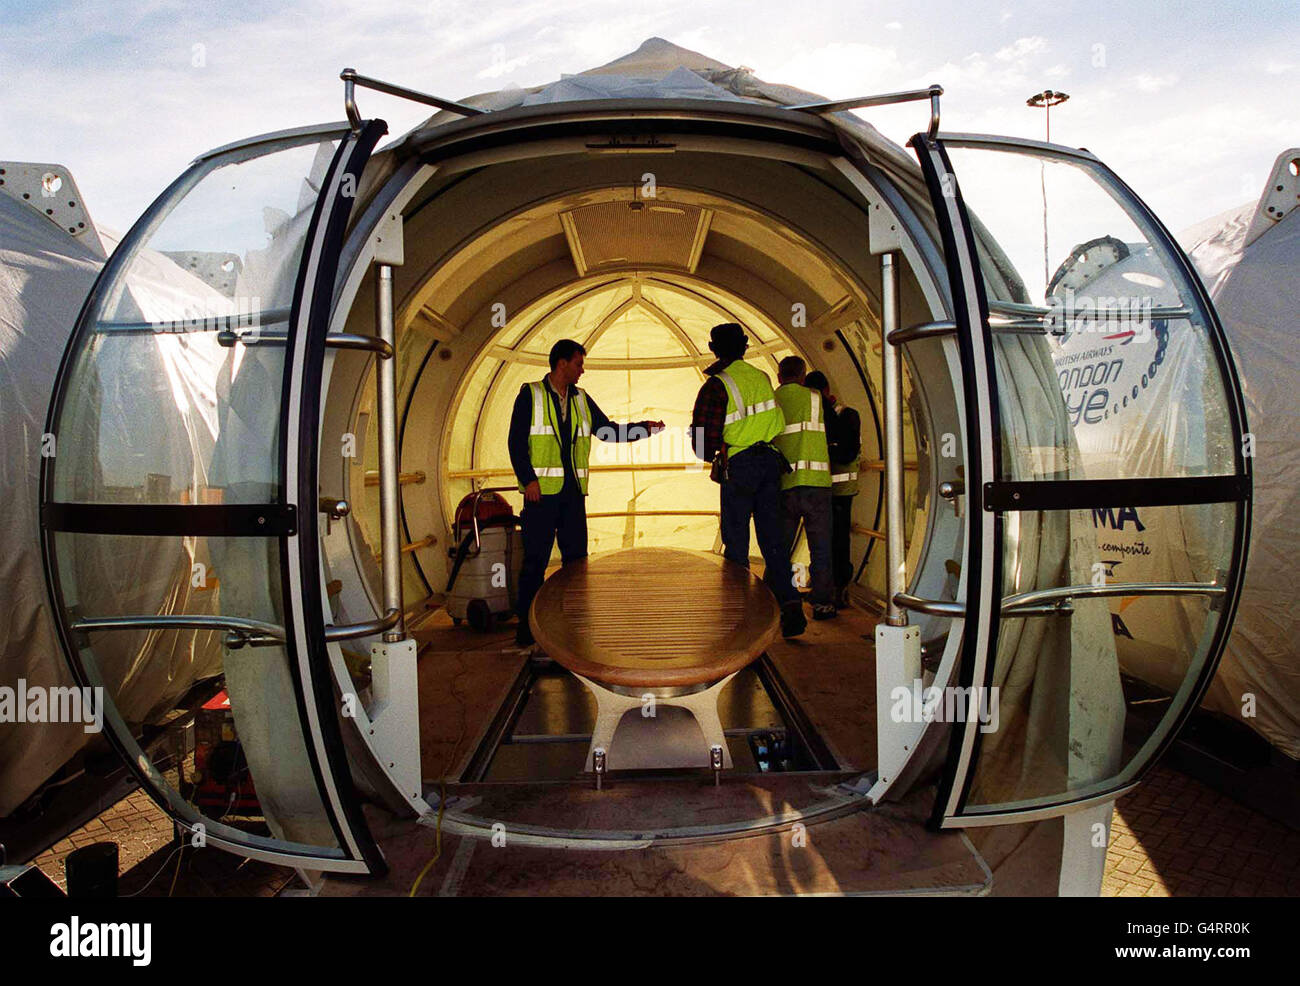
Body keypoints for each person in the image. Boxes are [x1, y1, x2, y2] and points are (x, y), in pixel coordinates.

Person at [508, 338, 664, 646]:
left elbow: (607, 431)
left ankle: (574, 623)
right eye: (579, 364)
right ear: (562, 363)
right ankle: (526, 630)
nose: (583, 370)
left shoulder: (581, 399)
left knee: (576, 562)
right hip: (540, 496)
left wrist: (644, 429)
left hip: (572, 496)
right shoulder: (531, 394)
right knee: (535, 562)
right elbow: (516, 443)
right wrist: (529, 481)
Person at [690, 323, 806, 638]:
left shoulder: (716, 385)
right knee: (773, 541)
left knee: (736, 540)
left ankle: (740, 616)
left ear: (714, 350)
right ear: (745, 346)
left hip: (739, 466)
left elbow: (702, 442)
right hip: (770, 463)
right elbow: (777, 421)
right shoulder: (762, 378)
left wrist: (719, 448)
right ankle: (790, 606)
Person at [773, 356, 835, 621]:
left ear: (778, 377)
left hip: (784, 485)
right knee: (821, 548)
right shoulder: (815, 398)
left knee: (779, 548)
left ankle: (780, 601)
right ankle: (822, 604)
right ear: (802, 375)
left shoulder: (771, 400)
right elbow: (834, 431)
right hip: (817, 485)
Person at [806, 370, 860, 609]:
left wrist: (825, 448)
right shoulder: (824, 415)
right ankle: (828, 587)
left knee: (835, 540)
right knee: (827, 540)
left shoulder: (843, 415)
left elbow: (848, 452)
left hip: (837, 490)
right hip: (823, 487)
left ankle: (836, 587)